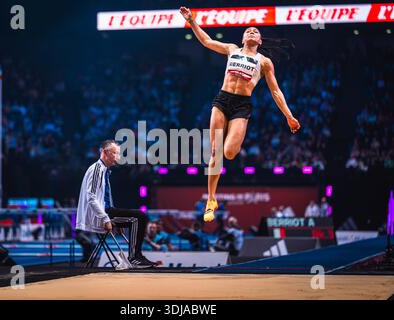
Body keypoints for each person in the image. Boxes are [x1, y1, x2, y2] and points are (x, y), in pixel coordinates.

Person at [179, 7, 301, 223]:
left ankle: (232, 151)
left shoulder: (264, 62)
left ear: (260, 41)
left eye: (255, 31)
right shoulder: (232, 49)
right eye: (248, 30)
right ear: (243, 37)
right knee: (215, 151)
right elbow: (206, 41)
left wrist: (289, 116)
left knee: (229, 153)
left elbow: (275, 91)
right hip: (222, 100)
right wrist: (191, 21)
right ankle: (211, 200)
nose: (252, 31)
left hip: (242, 106)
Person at [75, 139, 156, 268]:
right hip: (100, 215)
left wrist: (116, 221)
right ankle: (135, 257)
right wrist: (106, 219)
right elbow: (91, 197)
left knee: (141, 216)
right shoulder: (97, 169)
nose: (118, 157)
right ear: (106, 152)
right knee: (138, 218)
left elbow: (104, 199)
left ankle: (136, 256)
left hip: (107, 211)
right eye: (115, 153)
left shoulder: (104, 170)